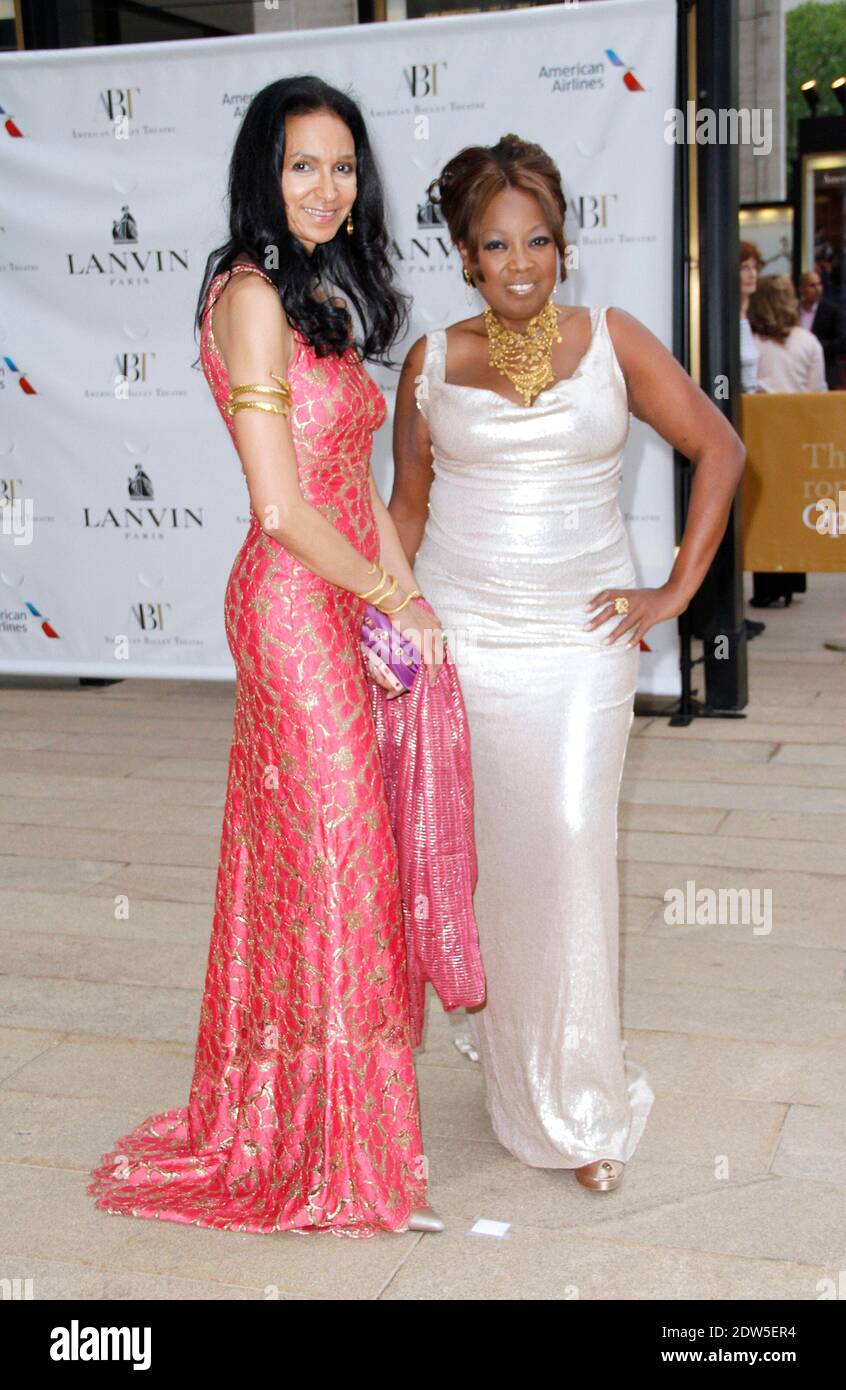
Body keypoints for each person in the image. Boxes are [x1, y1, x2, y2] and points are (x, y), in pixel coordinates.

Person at [87, 76, 446, 1238]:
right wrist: (385, 590)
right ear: (263, 171)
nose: (327, 188)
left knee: (333, 868)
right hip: (295, 607)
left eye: (344, 167)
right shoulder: (247, 295)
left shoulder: (324, 290)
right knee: (340, 866)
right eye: (303, 165)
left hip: (347, 592)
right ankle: (332, 1155)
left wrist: (411, 598)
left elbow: (363, 486)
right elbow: (285, 509)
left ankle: (323, 1122)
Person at [390, 134, 746, 1193]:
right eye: (495, 244)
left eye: (538, 238)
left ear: (564, 244)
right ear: (463, 255)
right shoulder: (428, 363)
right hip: (468, 637)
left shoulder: (612, 339)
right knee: (502, 859)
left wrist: (674, 593)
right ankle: (515, 1059)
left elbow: (720, 447)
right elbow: (407, 511)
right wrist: (380, 616)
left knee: (577, 837)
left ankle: (583, 1106)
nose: (520, 262)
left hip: (586, 640)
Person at [748, 274, 827, 608]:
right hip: (797, 433)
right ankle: (792, 583)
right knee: (794, 507)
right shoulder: (807, 341)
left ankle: (766, 587)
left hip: (760, 432)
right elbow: (817, 392)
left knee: (765, 509)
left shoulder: (751, 340)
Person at [799, 268, 845, 390]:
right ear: (801, 289)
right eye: (812, 285)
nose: (817, 289)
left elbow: (841, 342)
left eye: (820, 284)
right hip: (798, 371)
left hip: (826, 372)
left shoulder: (833, 311)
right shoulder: (794, 311)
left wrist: (815, 347)